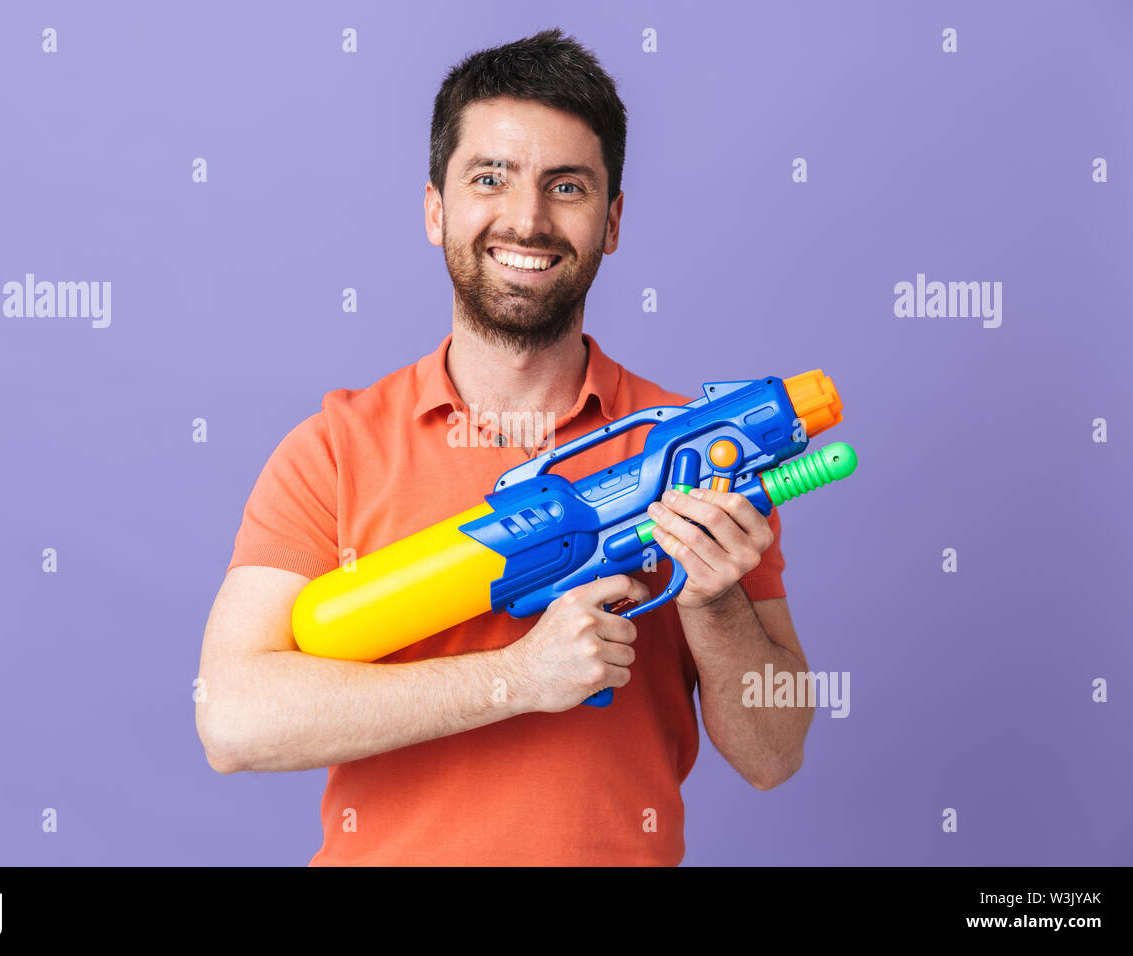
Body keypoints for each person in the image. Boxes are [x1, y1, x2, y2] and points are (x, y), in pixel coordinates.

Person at [195, 28, 813, 866]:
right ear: (435, 208)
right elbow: (233, 720)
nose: (527, 219)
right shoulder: (334, 451)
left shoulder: (702, 450)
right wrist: (519, 680)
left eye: (567, 186)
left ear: (613, 220)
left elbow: (774, 754)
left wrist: (713, 600)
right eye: (491, 178)